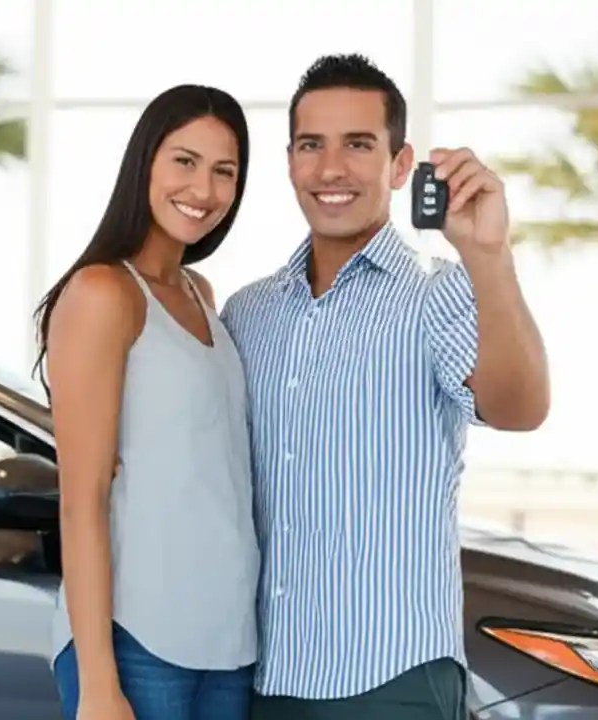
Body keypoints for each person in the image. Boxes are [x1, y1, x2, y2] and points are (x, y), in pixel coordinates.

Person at [219, 54, 550, 719]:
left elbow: (520, 408)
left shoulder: (436, 295)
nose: (331, 168)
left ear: (401, 167)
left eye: (358, 145)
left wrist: (488, 258)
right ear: (289, 161)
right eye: (312, 145)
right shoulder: (247, 313)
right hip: (265, 676)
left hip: (389, 680)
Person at [34, 84, 260, 720]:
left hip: (227, 647)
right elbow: (82, 500)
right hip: (137, 642)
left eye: (225, 172)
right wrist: (101, 684)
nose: (204, 190)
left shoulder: (202, 294)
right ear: (145, 165)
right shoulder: (104, 293)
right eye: (184, 161)